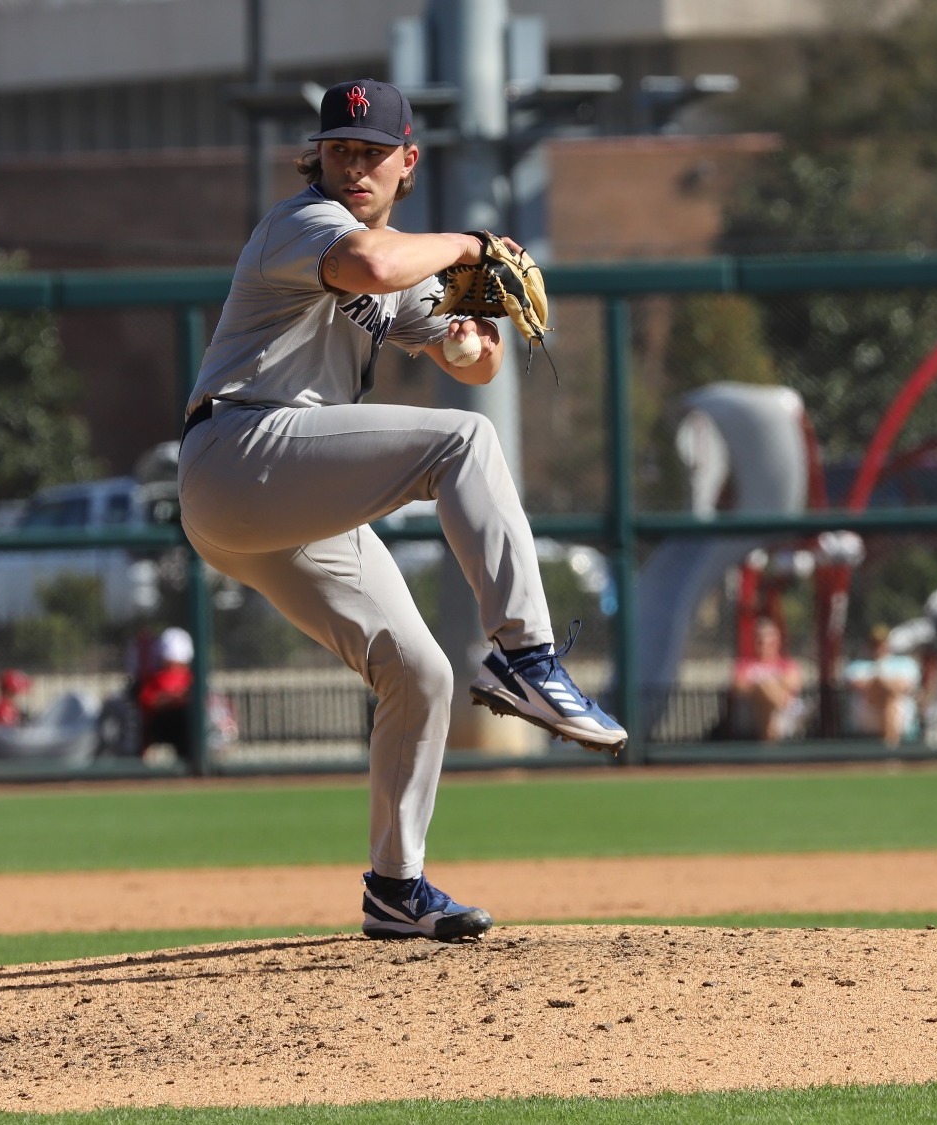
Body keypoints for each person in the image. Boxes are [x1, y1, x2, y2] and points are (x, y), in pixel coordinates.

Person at [176, 79, 626, 943]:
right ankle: (527, 656)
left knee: (418, 674)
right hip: (237, 452)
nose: (353, 166)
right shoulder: (302, 224)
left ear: (405, 162)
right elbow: (375, 267)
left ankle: (396, 886)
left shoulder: (400, 267)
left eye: (371, 153)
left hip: (287, 503)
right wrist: (473, 242)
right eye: (340, 149)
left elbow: (471, 363)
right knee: (460, 444)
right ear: (319, 157)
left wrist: (470, 335)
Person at [728, 616, 805, 742]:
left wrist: (762, 682)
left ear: (778, 642)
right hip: (752, 716)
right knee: (762, 689)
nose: (765, 646)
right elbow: (738, 686)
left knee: (765, 685)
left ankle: (769, 736)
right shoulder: (744, 665)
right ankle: (794, 710)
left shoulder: (788, 664)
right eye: (760, 641)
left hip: (783, 717)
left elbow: (794, 684)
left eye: (770, 642)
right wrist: (766, 685)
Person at [844, 625, 922, 747]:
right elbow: (859, 685)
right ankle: (890, 750)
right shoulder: (857, 665)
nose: (878, 647)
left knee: (890, 698)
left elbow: (903, 686)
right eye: (874, 643)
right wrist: (880, 681)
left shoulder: (905, 663)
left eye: (881, 643)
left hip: (900, 717)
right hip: (866, 716)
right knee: (884, 691)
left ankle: (889, 745)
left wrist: (880, 680)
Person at [135, 626, 197, 772]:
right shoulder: (155, 679)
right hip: (159, 726)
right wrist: (173, 699)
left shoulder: (193, 679)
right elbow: (146, 702)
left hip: (187, 730)